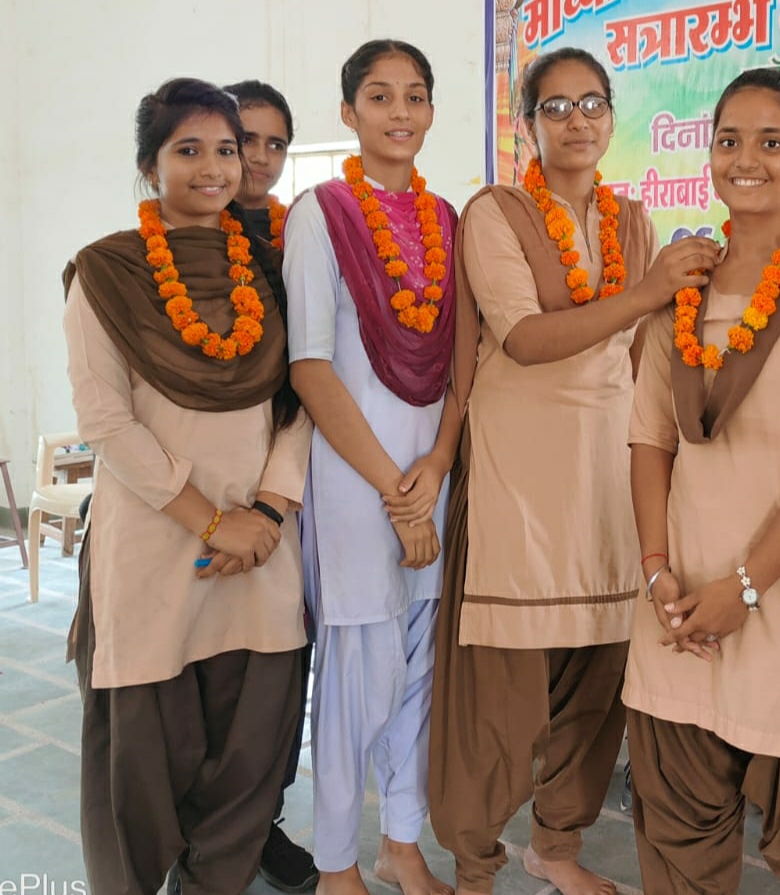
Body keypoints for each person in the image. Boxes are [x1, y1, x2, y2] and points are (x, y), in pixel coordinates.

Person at [427, 46, 720, 895]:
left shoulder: (633, 223)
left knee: (595, 684)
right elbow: (520, 338)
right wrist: (646, 291)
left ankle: (555, 847)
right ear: (526, 124)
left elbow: (643, 352)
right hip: (520, 470)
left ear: (611, 117)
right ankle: (473, 863)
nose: (578, 120)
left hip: (609, 471)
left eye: (593, 104)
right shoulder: (494, 211)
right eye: (556, 107)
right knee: (500, 696)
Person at [624, 68, 780, 895]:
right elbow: (647, 440)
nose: (747, 159)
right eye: (729, 140)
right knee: (676, 845)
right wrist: (660, 570)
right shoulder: (680, 284)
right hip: (678, 608)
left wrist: (743, 586)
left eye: (771, 142)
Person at [63, 77, 311, 895]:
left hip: (264, 539)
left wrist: (268, 511)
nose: (214, 166)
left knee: (250, 753)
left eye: (228, 149)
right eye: (188, 149)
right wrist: (215, 523)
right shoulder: (104, 272)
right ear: (149, 164)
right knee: (143, 759)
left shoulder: (274, 269)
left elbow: (302, 397)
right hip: (158, 536)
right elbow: (106, 421)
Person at [283, 39, 459, 895]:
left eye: (415, 95)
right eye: (380, 96)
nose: (400, 112)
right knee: (358, 667)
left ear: (431, 111)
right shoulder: (320, 212)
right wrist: (397, 490)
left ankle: (400, 841)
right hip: (358, 481)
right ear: (348, 112)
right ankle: (334, 862)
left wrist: (438, 462)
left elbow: (465, 364)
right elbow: (310, 366)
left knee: (421, 661)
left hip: (433, 471)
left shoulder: (448, 219)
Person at [222, 75, 318, 895]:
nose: (255, 158)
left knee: (275, 678)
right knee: (195, 688)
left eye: (272, 143)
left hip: (282, 494)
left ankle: (259, 824)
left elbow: (311, 376)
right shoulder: (154, 249)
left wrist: (273, 501)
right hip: (187, 496)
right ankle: (201, 837)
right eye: (238, 139)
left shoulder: (301, 244)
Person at [224, 80, 293, 250]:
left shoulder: (300, 228)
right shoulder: (193, 227)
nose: (261, 158)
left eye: (276, 146)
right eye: (247, 140)